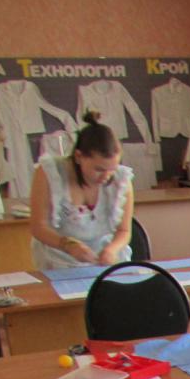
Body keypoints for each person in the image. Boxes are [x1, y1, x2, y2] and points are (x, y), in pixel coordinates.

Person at [30, 111, 134, 270]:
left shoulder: (121, 180)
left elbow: (124, 230)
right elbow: (38, 227)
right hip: (59, 258)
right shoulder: (49, 172)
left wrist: (110, 250)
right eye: (99, 169)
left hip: (105, 259)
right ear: (78, 157)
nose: (106, 176)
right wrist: (68, 245)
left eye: (112, 169)